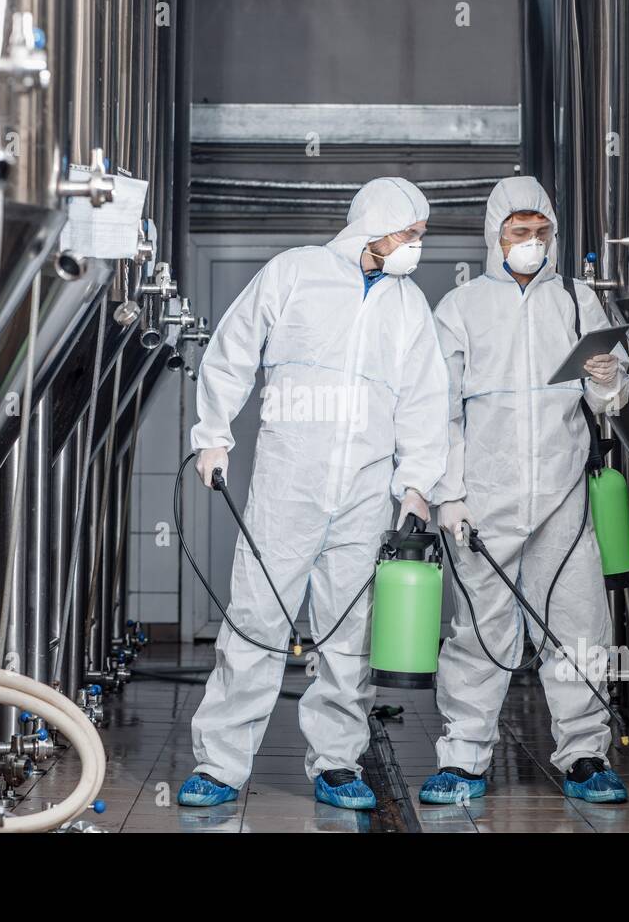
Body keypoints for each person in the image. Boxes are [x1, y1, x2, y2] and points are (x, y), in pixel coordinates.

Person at [179, 177, 449, 810]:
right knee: (254, 621)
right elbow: (233, 347)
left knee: (348, 630)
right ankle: (220, 765)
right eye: (409, 233)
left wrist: (416, 486)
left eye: (420, 235)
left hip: (363, 492)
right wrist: (211, 435)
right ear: (375, 228)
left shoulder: (408, 306)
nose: (416, 246)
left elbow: (425, 400)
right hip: (286, 487)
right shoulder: (294, 273)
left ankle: (337, 764)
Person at [420, 175, 629, 806]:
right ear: (495, 234)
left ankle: (587, 754)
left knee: (579, 627)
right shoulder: (459, 309)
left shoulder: (577, 299)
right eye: (519, 231)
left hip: (564, 496)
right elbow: (440, 410)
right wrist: (448, 494)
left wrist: (606, 375)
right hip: (484, 499)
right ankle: (463, 758)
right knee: (479, 631)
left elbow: (609, 400)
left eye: (541, 232)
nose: (532, 242)